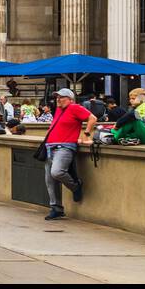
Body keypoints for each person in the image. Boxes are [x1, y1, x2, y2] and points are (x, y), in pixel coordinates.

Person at [43, 88, 96, 221]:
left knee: (57, 172)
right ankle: (56, 208)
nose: (58, 99)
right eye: (57, 97)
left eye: (61, 97)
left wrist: (87, 133)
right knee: (50, 180)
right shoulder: (59, 110)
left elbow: (92, 118)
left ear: (70, 99)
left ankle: (75, 185)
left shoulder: (75, 107)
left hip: (64, 147)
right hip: (50, 147)